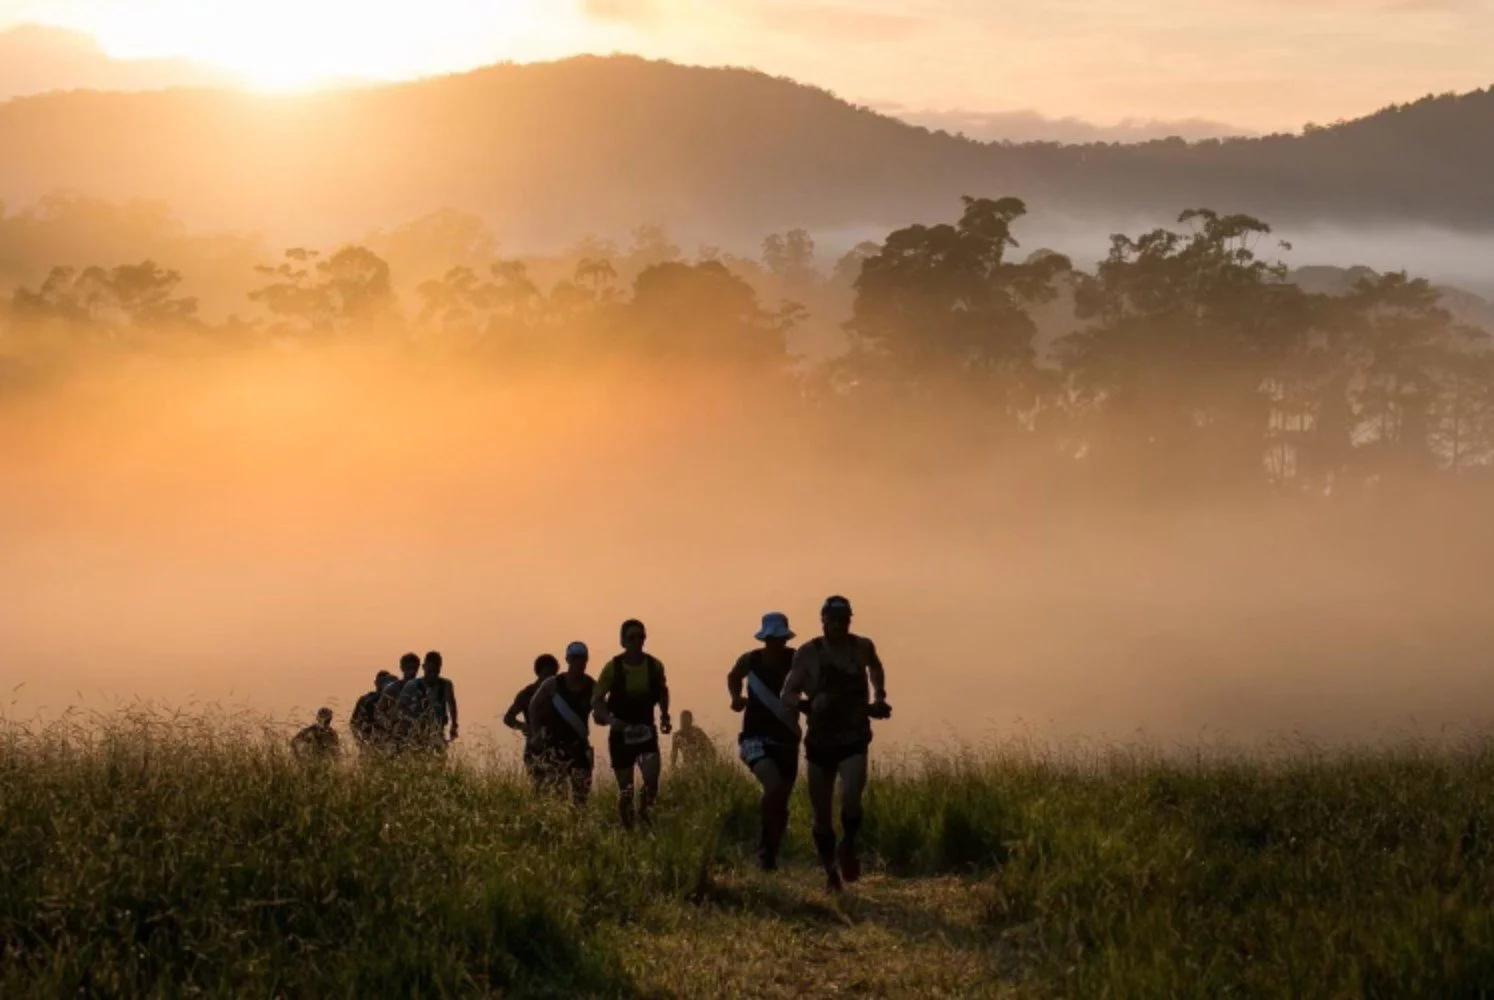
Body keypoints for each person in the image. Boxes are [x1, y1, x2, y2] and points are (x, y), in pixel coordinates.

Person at [779, 596, 891, 891]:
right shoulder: (808, 653)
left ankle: (849, 844)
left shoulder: (862, 648)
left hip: (854, 737)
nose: (839, 626)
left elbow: (875, 668)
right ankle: (831, 873)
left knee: (852, 798)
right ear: (824, 622)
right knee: (821, 814)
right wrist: (807, 704)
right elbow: (787, 693)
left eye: (844, 621)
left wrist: (879, 697)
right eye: (833, 621)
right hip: (820, 743)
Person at [727, 611, 802, 871]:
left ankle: (770, 852)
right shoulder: (750, 660)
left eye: (779, 639)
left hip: (788, 739)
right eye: (771, 640)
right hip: (755, 738)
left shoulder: (797, 660)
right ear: (764, 640)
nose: (776, 645)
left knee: (781, 800)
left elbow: (813, 685)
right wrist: (736, 697)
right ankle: (763, 844)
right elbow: (733, 676)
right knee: (773, 785)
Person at [592, 619, 672, 829]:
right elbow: (597, 699)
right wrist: (610, 720)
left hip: (646, 730)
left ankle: (645, 814)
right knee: (626, 789)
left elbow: (663, 691)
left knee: (651, 781)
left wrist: (665, 715)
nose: (637, 641)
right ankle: (627, 827)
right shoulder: (612, 667)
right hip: (621, 733)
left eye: (641, 637)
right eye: (632, 637)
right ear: (623, 641)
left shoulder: (654, 666)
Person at [528, 641, 597, 804]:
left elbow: (600, 707)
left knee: (581, 795)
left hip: (579, 745)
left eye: (581, 658)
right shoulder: (553, 683)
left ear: (586, 660)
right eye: (575, 658)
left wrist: (602, 716)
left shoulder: (591, 685)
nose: (578, 662)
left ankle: (578, 819)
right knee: (557, 794)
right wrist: (536, 732)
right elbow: (534, 705)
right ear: (568, 660)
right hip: (554, 745)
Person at [504, 654, 560, 785]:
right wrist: (525, 727)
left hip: (556, 746)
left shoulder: (558, 694)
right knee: (538, 786)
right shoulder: (527, 693)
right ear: (539, 672)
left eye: (553, 674)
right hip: (535, 747)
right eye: (548, 673)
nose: (550, 677)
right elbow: (508, 718)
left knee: (556, 786)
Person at [398, 650, 459, 753]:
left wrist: (454, 726)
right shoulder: (412, 685)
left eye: (436, 671)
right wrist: (413, 721)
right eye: (430, 671)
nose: (432, 675)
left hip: (437, 731)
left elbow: (451, 704)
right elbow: (401, 706)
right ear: (424, 667)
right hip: (417, 733)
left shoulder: (445, 685)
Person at [382, 652, 422, 750]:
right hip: (397, 736)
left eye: (414, 668)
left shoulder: (422, 688)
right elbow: (379, 711)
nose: (412, 672)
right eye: (409, 668)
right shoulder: (392, 689)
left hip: (417, 736)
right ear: (402, 668)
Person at [350, 670, 397, 755]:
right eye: (380, 682)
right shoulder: (366, 700)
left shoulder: (394, 700)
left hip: (387, 742)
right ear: (375, 683)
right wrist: (360, 742)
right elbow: (353, 722)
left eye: (384, 682)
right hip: (370, 740)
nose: (381, 685)